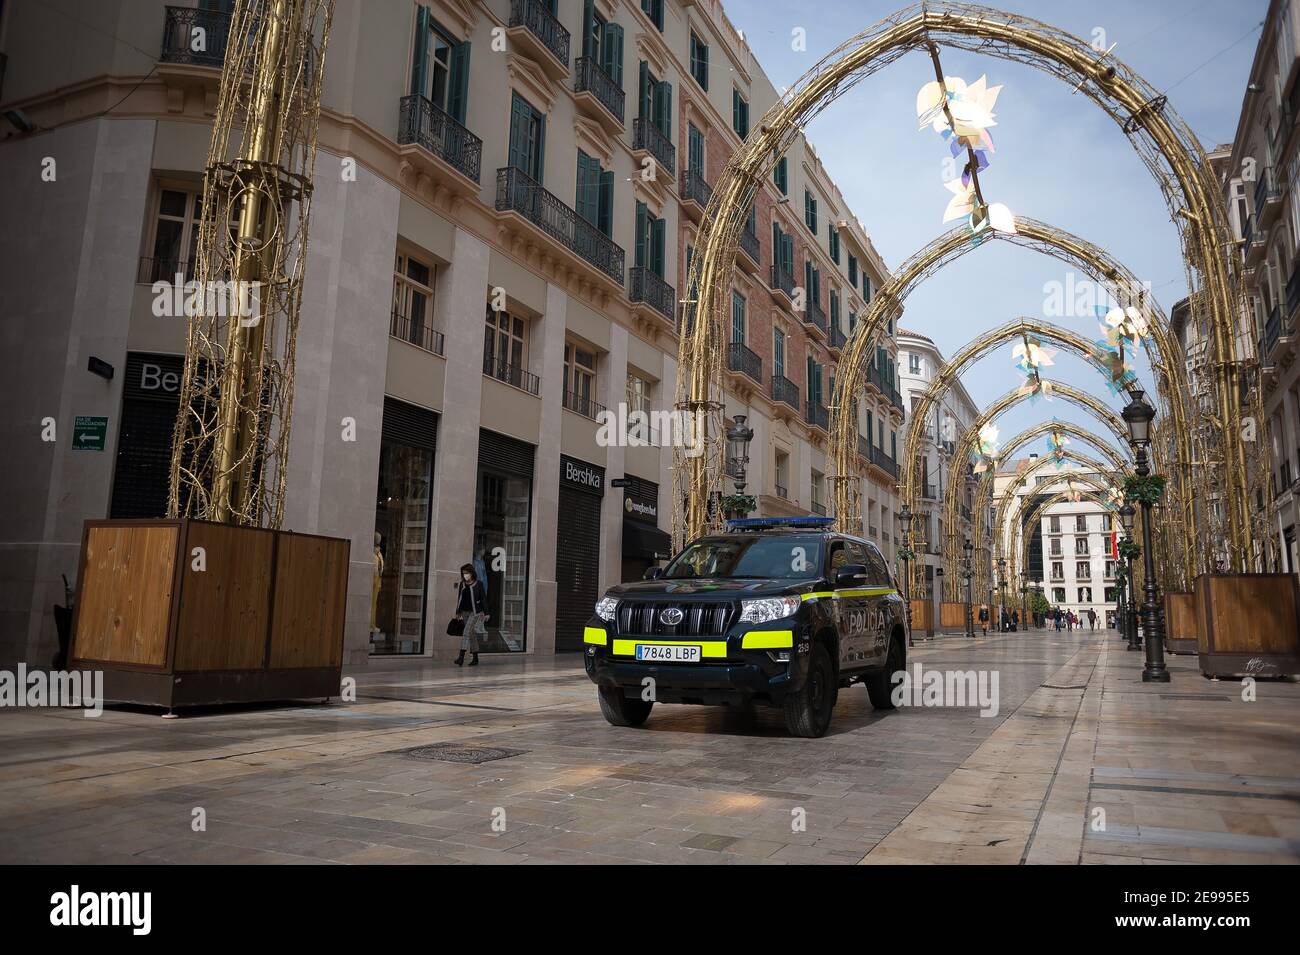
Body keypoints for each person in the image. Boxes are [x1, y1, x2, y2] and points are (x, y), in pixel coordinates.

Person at [453, 563, 488, 667]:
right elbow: (459, 599)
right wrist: (457, 612)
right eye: (463, 573)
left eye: (467, 573)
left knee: (466, 632)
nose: (465, 575)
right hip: (464, 612)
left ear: (472, 573)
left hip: (475, 612)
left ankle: (461, 657)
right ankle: (476, 658)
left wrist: (487, 613)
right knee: (472, 635)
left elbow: (483, 599)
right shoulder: (462, 584)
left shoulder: (479, 584)